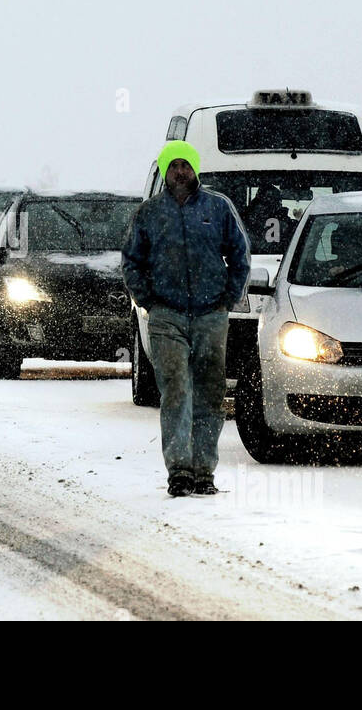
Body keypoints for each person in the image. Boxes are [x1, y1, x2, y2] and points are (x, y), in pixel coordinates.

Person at [121, 141, 251, 497]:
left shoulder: (218, 208)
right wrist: (148, 300)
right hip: (167, 317)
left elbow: (241, 255)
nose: (180, 172)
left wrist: (228, 299)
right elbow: (131, 260)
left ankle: (203, 471)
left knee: (210, 393)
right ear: (165, 171)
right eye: (173, 166)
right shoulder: (148, 214)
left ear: (196, 169)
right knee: (176, 391)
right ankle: (179, 471)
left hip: (211, 316)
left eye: (185, 165)